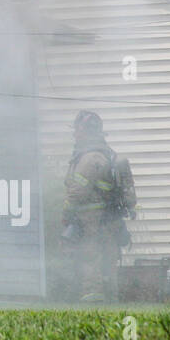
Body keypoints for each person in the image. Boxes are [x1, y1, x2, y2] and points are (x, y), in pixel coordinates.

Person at [61, 109, 137, 303]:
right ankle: (112, 300)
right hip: (110, 220)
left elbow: (77, 191)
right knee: (109, 260)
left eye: (77, 130)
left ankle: (92, 302)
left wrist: (66, 211)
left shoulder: (90, 159)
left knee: (90, 260)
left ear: (85, 131)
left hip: (91, 221)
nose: (74, 135)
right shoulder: (108, 156)